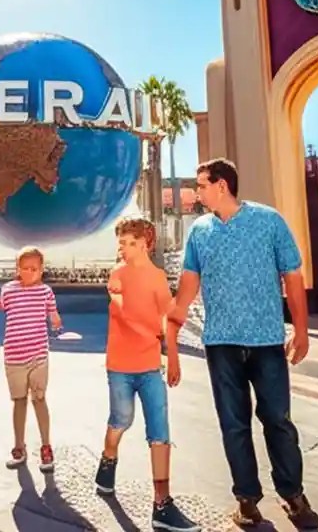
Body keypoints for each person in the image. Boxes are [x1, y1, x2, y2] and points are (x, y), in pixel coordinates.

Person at [167, 158, 318, 530]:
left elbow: (293, 277)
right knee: (233, 424)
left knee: (278, 420)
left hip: (267, 340)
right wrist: (170, 320)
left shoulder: (269, 221)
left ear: (222, 185)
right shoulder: (200, 232)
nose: (198, 191)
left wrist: (301, 330)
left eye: (202, 185)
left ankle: (294, 495)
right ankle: (247, 500)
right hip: (220, 343)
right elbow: (189, 285)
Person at [97, 217, 199, 532]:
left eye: (129, 243)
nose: (124, 249)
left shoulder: (156, 278)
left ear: (145, 244)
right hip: (121, 367)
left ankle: (161, 504)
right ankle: (108, 459)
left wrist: (175, 357)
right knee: (121, 421)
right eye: (121, 243)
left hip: (151, 367)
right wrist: (153, 331)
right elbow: (125, 313)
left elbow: (166, 318)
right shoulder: (116, 276)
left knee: (160, 432)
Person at [0, 246, 62, 472]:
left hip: (38, 356)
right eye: (24, 268)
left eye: (34, 269)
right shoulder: (9, 290)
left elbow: (54, 315)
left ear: (42, 270)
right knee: (19, 401)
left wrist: (56, 321)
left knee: (40, 399)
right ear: (17, 269)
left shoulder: (46, 292)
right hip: (14, 357)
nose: (29, 272)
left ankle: (46, 446)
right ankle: (18, 446)